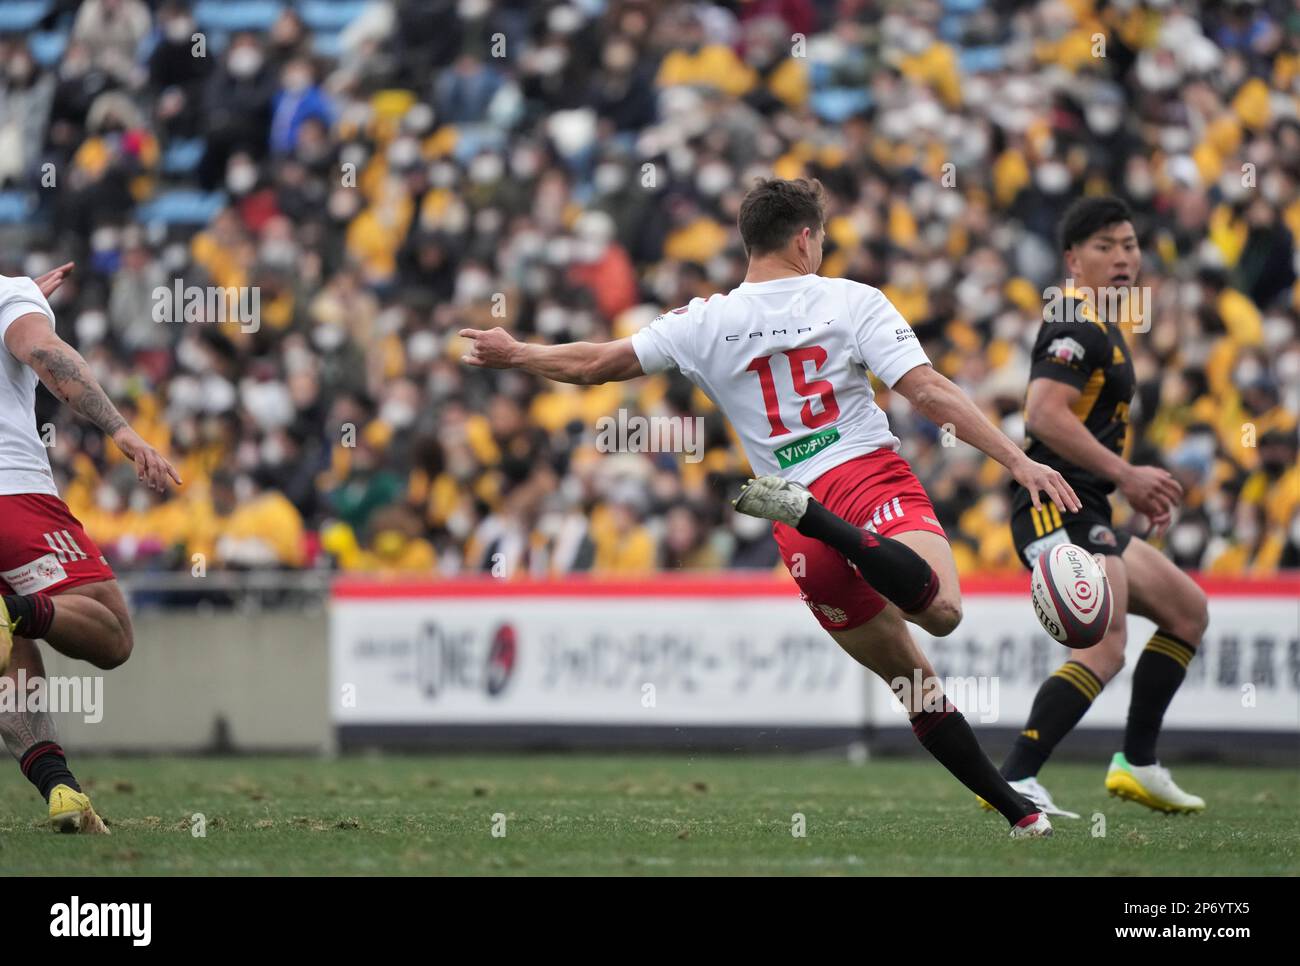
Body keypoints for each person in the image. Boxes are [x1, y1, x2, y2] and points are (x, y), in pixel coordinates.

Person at [461, 177, 1082, 838]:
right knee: (943, 614)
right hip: (863, 477)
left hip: (789, 515)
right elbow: (925, 390)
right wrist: (1017, 460)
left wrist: (518, 353)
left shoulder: (704, 320)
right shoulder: (850, 301)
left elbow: (597, 364)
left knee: (911, 684)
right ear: (805, 239)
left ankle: (1019, 814)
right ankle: (1017, 806)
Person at [1002, 196, 1208, 816]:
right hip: (1054, 503)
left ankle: (1137, 763)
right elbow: (1041, 413)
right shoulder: (1074, 321)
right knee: (1103, 645)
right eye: (1104, 247)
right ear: (1072, 259)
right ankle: (1015, 777)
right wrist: (1127, 474)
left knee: (1186, 612)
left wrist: (1123, 485)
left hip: (1089, 506)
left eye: (1129, 245)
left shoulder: (1105, 323)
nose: (1122, 258)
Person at [0, 262, 181, 833]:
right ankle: (16, 610)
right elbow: (47, 354)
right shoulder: (9, 295)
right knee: (111, 634)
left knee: (10, 655)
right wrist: (120, 429)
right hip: (12, 496)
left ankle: (61, 791)